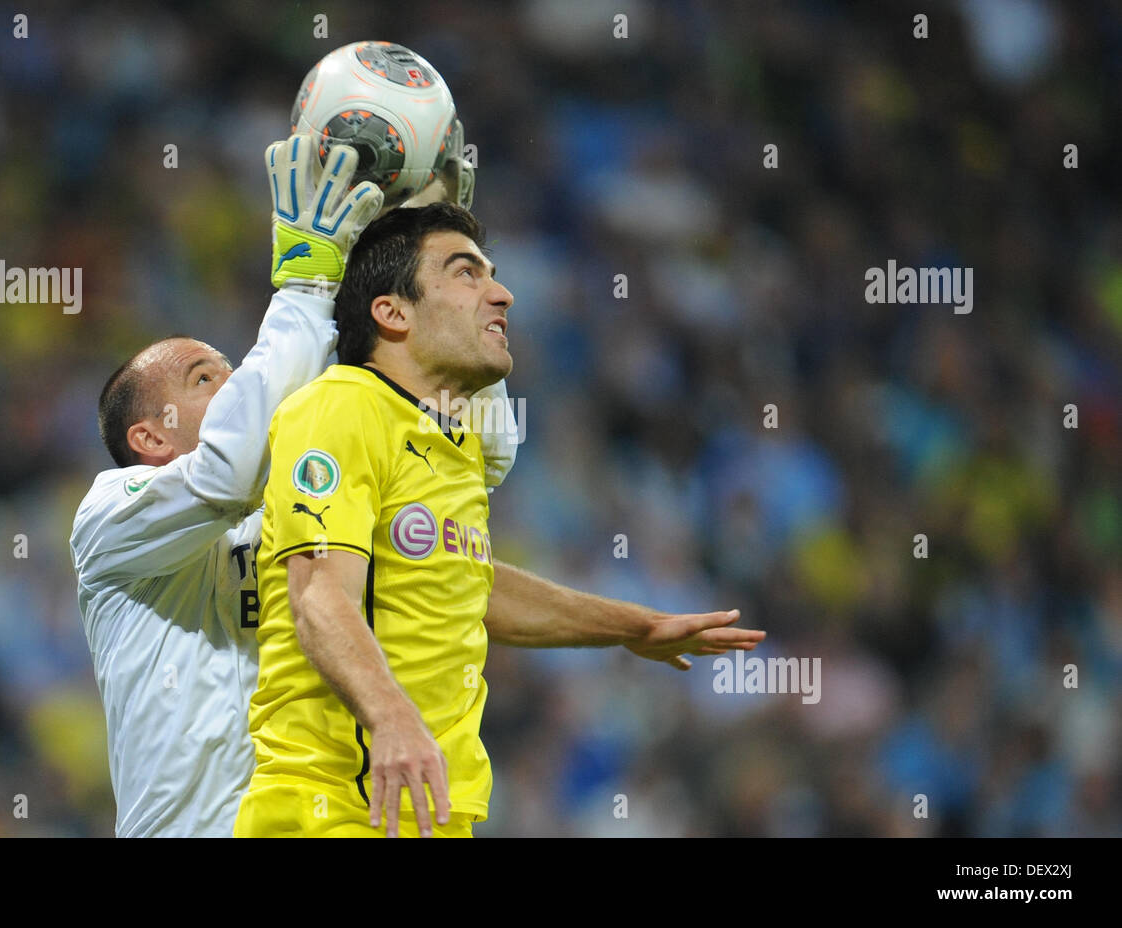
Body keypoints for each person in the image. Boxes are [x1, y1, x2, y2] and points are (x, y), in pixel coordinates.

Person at [235, 203, 766, 838]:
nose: (503, 294)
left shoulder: (453, 446)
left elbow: (472, 587)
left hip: (428, 810)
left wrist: (635, 626)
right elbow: (319, 595)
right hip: (336, 803)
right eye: (466, 273)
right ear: (392, 312)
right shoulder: (342, 407)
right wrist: (391, 719)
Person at [69, 135, 518, 836]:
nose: (242, 379)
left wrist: (431, 282)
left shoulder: (301, 500)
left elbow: (486, 455)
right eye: (206, 378)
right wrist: (306, 283)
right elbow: (227, 470)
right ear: (150, 437)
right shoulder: (110, 520)